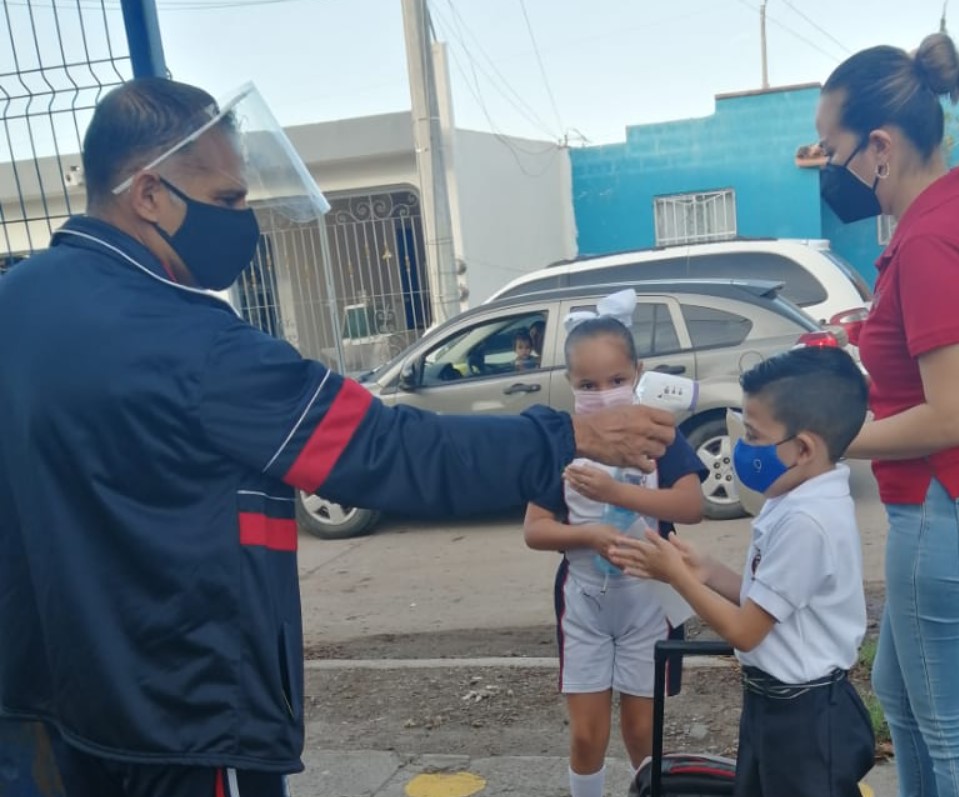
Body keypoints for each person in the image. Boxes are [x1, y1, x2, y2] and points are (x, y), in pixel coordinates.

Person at [0, 77, 676, 797]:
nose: (243, 221)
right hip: (185, 715)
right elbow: (388, 451)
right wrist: (566, 436)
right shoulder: (195, 345)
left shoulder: (15, 304)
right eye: (229, 199)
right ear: (147, 193)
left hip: (40, 706)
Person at [815, 33, 959, 797]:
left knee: (949, 729)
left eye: (832, 149)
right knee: (902, 694)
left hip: (951, 501)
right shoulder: (944, 218)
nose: (827, 166)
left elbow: (953, 416)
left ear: (879, 146)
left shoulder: (931, 240)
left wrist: (830, 440)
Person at [614, 347, 876, 797]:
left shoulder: (808, 521)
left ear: (803, 448)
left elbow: (745, 631)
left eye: (753, 435)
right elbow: (769, 604)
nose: (742, 446)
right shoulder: (790, 495)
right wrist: (706, 571)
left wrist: (678, 577)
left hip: (806, 720)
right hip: (775, 703)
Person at [523, 290, 706, 797]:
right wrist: (587, 533)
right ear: (569, 383)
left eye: (617, 380)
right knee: (587, 735)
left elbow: (690, 506)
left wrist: (614, 493)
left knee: (642, 733)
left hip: (649, 603)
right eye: (588, 385)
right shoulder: (563, 444)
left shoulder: (658, 433)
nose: (604, 394)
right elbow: (535, 529)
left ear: (638, 372)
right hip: (583, 604)